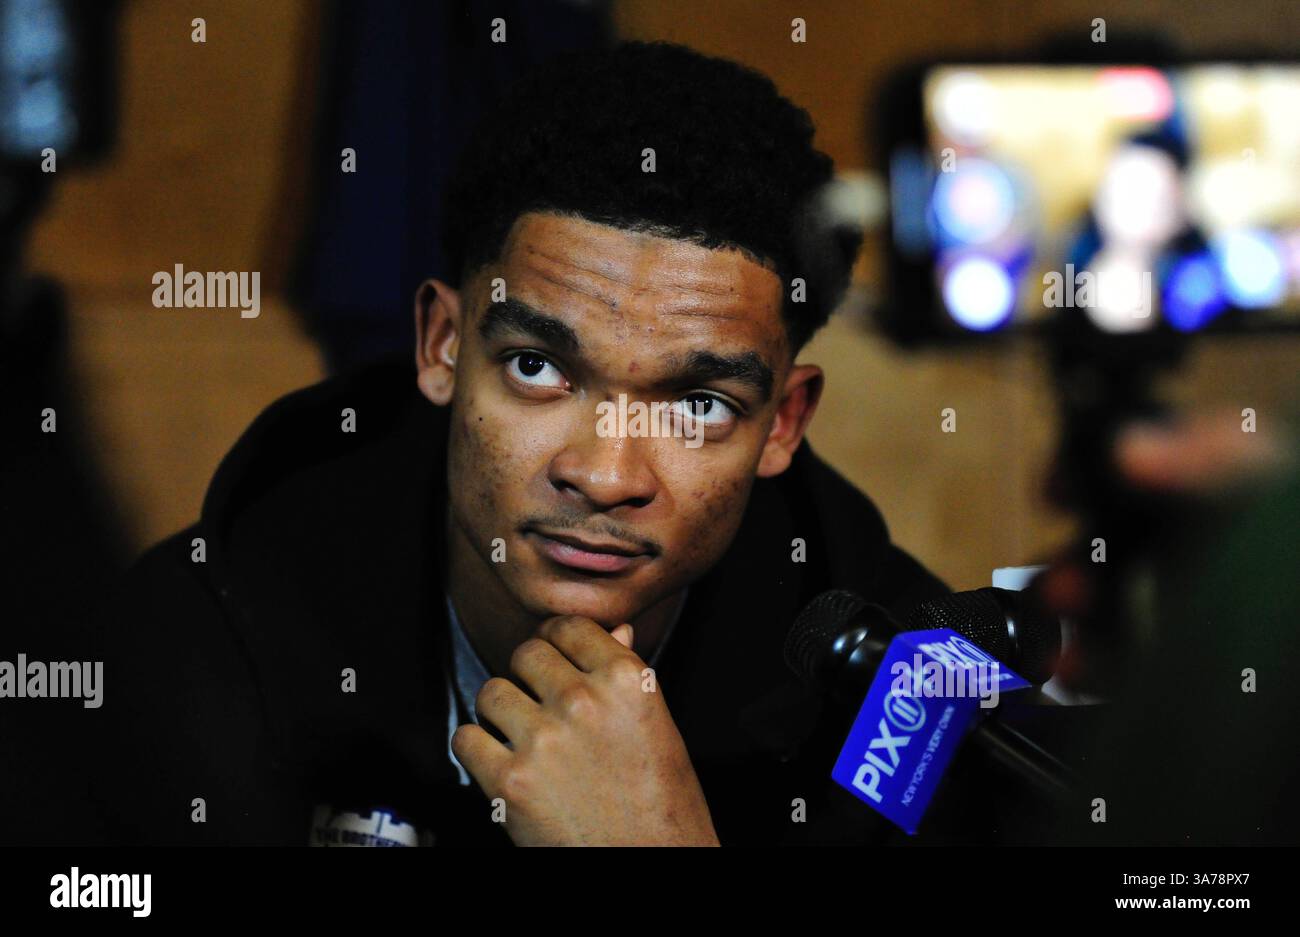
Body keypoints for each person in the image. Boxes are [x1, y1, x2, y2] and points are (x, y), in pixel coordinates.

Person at [74, 41, 980, 847]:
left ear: (783, 422)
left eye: (697, 404)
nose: (604, 473)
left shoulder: (912, 697)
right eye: (540, 368)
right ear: (440, 346)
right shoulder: (194, 646)